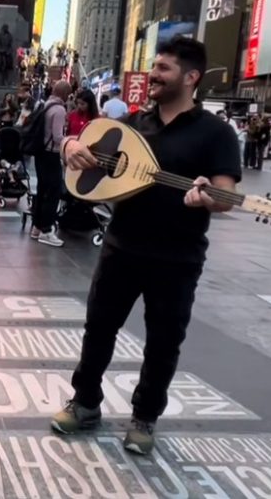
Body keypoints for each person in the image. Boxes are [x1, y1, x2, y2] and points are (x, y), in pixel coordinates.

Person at [52, 36, 241, 455]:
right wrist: (70, 147)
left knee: (163, 341)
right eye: (154, 67)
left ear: (191, 77)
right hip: (122, 246)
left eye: (164, 69)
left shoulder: (216, 133)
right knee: (98, 329)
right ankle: (84, 404)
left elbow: (226, 196)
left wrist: (210, 194)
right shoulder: (134, 126)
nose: (152, 75)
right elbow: (80, 145)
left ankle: (144, 418)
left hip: (178, 256)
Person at [31, 80, 71, 247]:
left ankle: (36, 227)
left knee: (42, 190)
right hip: (51, 154)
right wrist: (71, 141)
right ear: (66, 94)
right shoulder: (59, 109)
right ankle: (47, 230)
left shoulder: (44, 105)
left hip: (40, 153)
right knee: (53, 192)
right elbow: (57, 137)